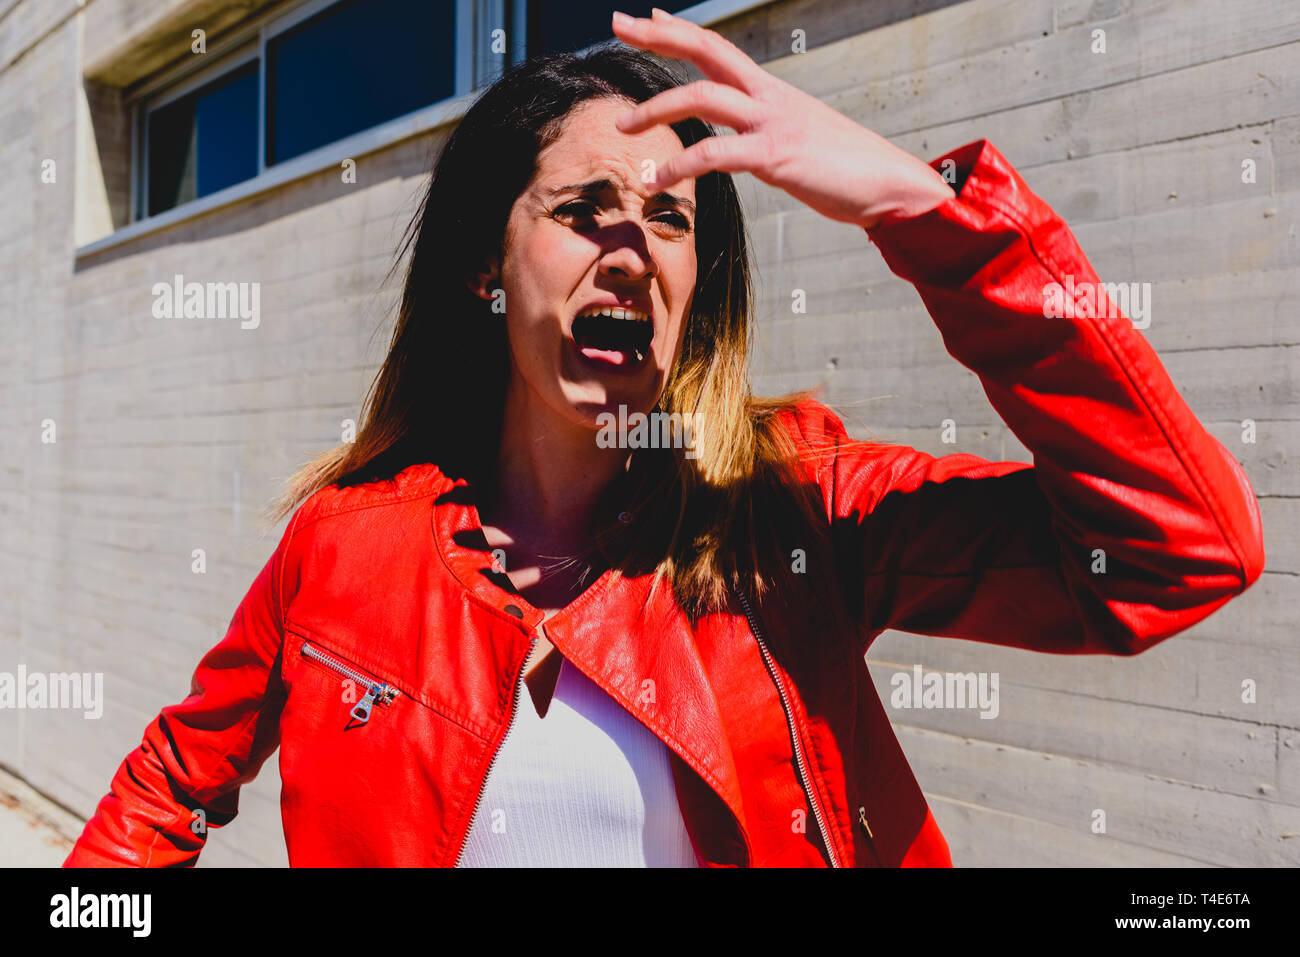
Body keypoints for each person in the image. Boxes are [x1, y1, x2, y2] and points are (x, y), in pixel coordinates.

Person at [64, 9, 1264, 867]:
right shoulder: (340, 548)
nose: (628, 244)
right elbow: (168, 783)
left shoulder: (793, 511)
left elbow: (1181, 553)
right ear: (489, 263)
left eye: (669, 217)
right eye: (582, 210)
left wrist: (934, 216)